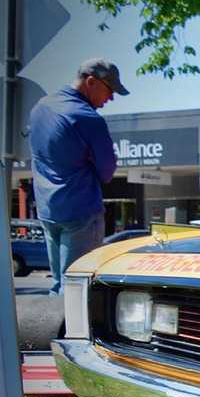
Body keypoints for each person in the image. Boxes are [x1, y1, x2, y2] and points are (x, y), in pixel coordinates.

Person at [27, 58, 127, 294]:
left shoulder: (40, 107)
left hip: (48, 210)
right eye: (110, 90)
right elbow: (107, 171)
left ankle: (57, 317)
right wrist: (89, 160)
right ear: (91, 82)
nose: (111, 98)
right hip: (81, 212)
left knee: (59, 284)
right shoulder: (88, 118)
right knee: (78, 288)